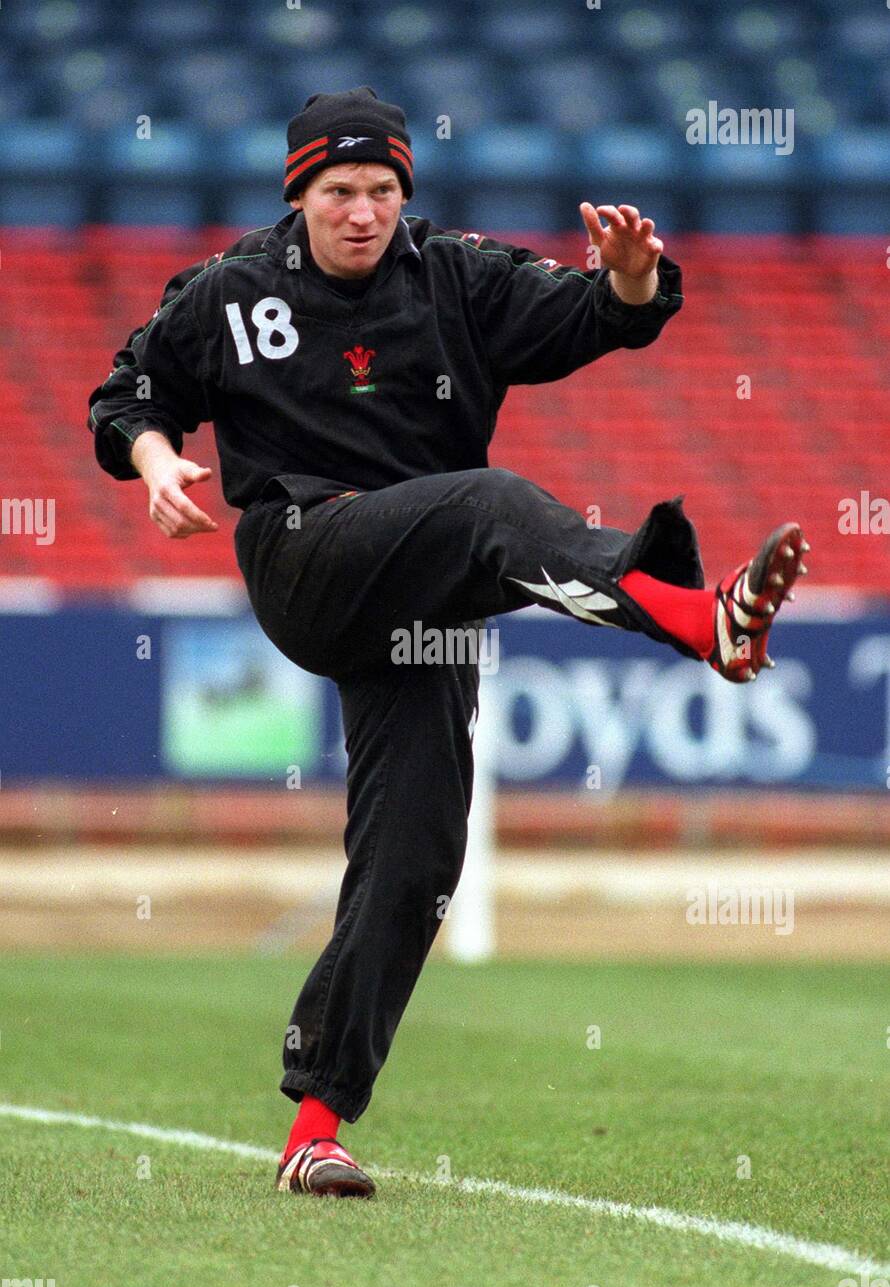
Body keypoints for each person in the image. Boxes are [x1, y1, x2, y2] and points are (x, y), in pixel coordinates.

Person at [89, 87, 809, 1199]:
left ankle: (313, 1127)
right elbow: (131, 389)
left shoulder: (454, 273)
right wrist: (152, 464)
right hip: (305, 557)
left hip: (424, 608)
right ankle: (695, 620)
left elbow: (598, 316)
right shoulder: (231, 291)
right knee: (484, 503)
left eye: (382, 190)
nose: (364, 211)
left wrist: (625, 274)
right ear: (299, 197)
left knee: (416, 859)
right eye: (339, 192)